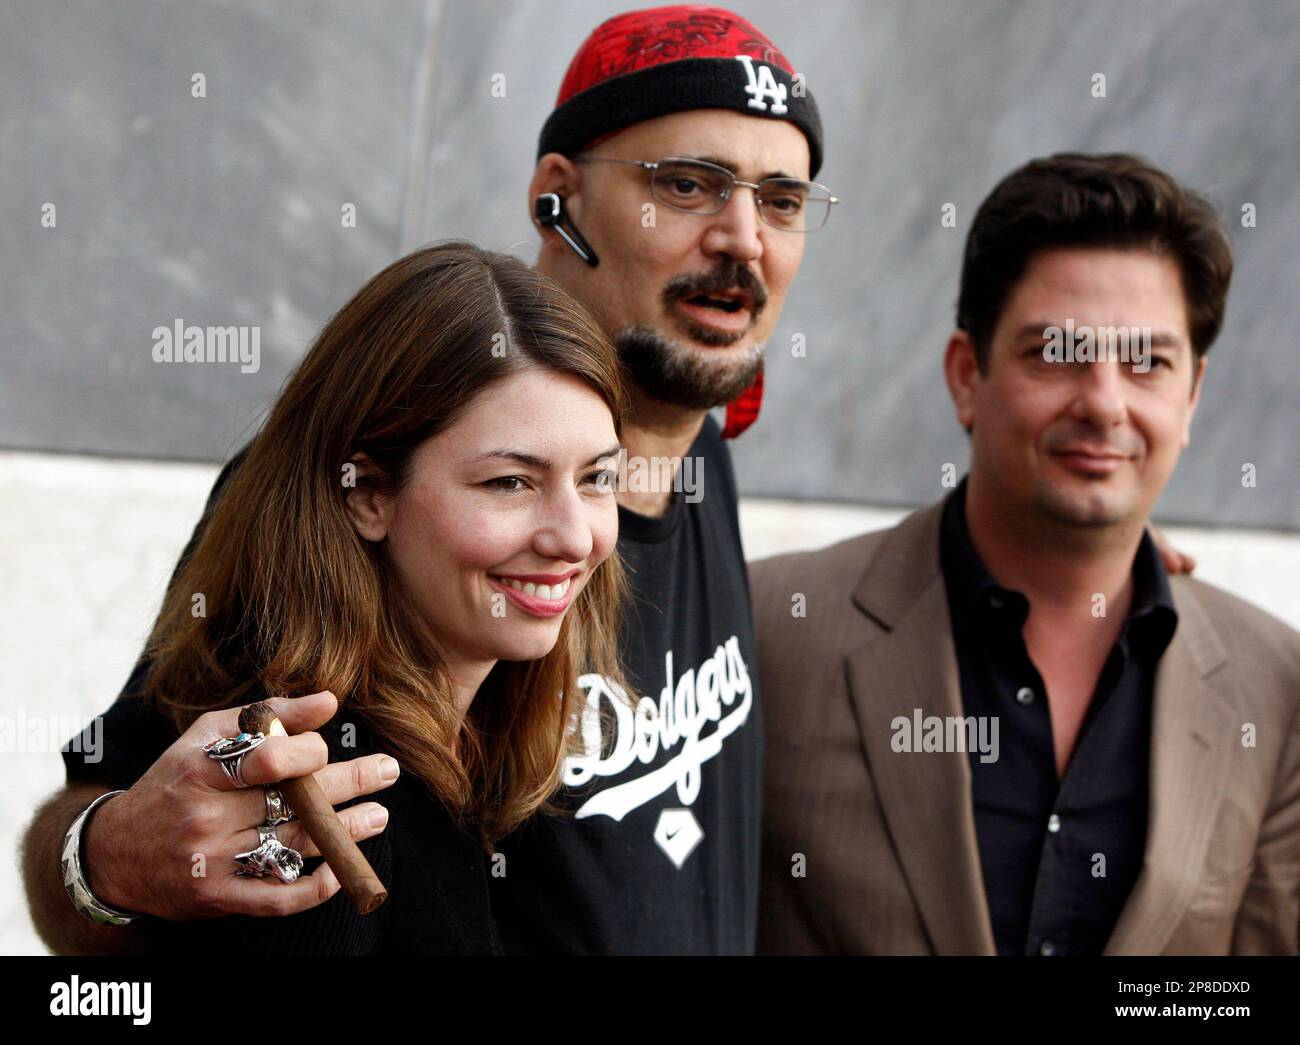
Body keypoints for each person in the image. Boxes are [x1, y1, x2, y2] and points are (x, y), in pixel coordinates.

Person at [25, 4, 835, 955]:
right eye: (689, 186)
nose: (743, 238)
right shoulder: (359, 498)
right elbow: (120, 833)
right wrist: (110, 858)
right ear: (558, 199)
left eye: (782, 201)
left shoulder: (701, 456)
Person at [751, 153, 1300, 955]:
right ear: (968, 376)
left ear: (1192, 397)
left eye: (1147, 361)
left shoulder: (1274, 686)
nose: (1104, 402)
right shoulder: (771, 629)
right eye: (1057, 352)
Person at [35, 242, 631, 954]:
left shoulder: (463, 739)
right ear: (370, 494)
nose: (574, 536)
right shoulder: (325, 799)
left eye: (597, 478)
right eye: (509, 482)